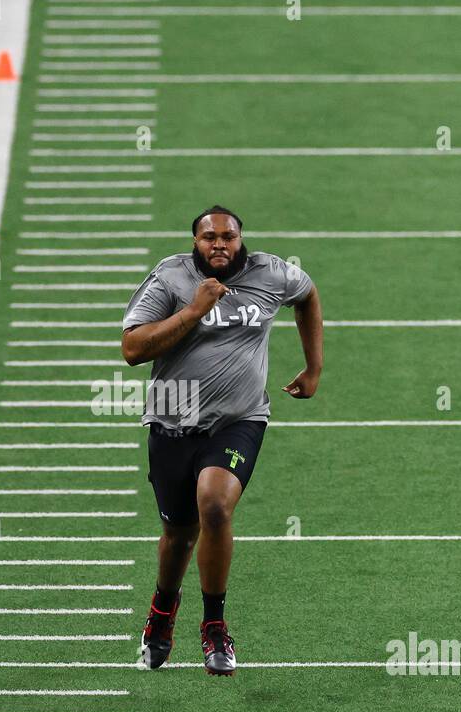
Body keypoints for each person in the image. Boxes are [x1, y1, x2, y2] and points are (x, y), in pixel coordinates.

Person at [120, 205, 323, 675]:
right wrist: (194, 310)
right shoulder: (170, 278)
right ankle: (162, 612)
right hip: (173, 421)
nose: (219, 245)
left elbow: (308, 295)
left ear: (239, 239)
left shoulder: (270, 272)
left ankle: (214, 626)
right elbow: (132, 349)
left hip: (239, 420)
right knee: (177, 535)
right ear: (195, 242)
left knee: (214, 505)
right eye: (209, 237)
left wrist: (314, 367)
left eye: (227, 237)